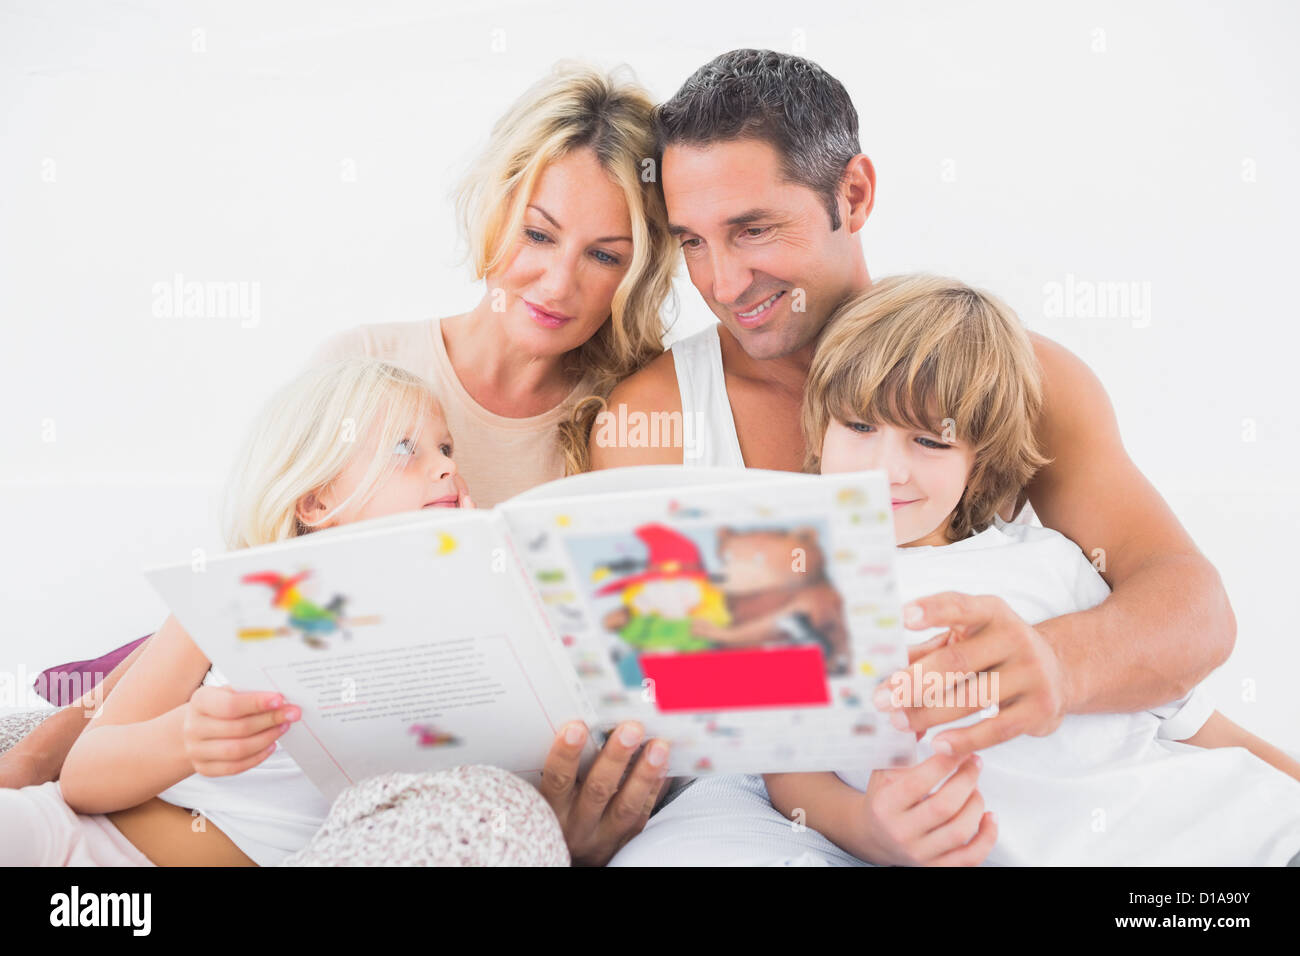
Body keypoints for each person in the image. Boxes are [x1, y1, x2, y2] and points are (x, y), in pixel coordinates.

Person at [2, 61, 678, 867]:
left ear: (636, 270)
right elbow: (228, 601)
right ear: (496, 213)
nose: (558, 281)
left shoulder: (627, 422)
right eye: (538, 233)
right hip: (183, 782)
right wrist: (48, 755)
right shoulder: (365, 368)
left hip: (422, 793)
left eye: (605, 255)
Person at [592, 49, 1236, 784]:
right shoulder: (655, 420)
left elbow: (1192, 609)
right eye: (693, 243)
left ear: (855, 195)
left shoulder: (1013, 374)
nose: (724, 283)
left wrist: (1056, 661)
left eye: (755, 230)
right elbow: (667, 692)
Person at [612, 275, 1300, 866]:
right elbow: (793, 775)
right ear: (819, 432)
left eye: (929, 440)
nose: (888, 468)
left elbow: (1200, 724)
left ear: (982, 462)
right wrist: (874, 831)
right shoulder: (789, 588)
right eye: (859, 427)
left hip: (1250, 834)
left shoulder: (1050, 561)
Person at [0, 358, 571, 865]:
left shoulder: (471, 630)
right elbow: (82, 777)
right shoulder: (233, 599)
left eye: (446, 449)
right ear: (317, 501)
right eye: (405, 449)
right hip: (75, 840)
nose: (445, 467)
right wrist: (184, 738)